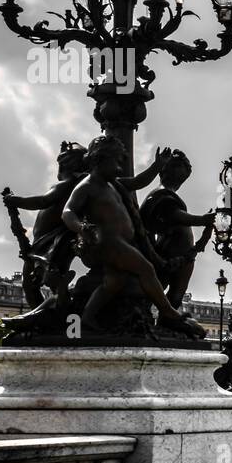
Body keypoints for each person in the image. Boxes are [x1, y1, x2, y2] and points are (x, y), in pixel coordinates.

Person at [62, 136, 204, 338]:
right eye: (116, 161)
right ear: (100, 159)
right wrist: (80, 227)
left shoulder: (113, 184)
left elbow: (139, 182)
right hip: (110, 242)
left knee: (114, 281)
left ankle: (86, 318)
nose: (120, 167)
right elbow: (68, 212)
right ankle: (167, 311)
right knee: (146, 269)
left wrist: (157, 166)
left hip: (118, 243)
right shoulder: (88, 185)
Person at [140, 149, 214, 308]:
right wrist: (202, 220)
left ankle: (165, 322)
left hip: (178, 253)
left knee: (174, 293)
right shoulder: (162, 194)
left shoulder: (165, 194)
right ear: (165, 172)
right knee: (165, 292)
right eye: (178, 169)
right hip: (169, 253)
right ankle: (163, 322)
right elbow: (175, 216)